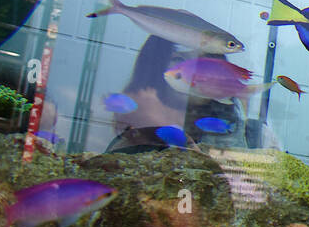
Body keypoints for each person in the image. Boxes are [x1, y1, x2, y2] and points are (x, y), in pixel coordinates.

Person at [105, 35, 279, 153]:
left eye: (202, 63)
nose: (194, 73)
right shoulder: (132, 139)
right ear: (154, 70)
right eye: (179, 60)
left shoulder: (259, 138)